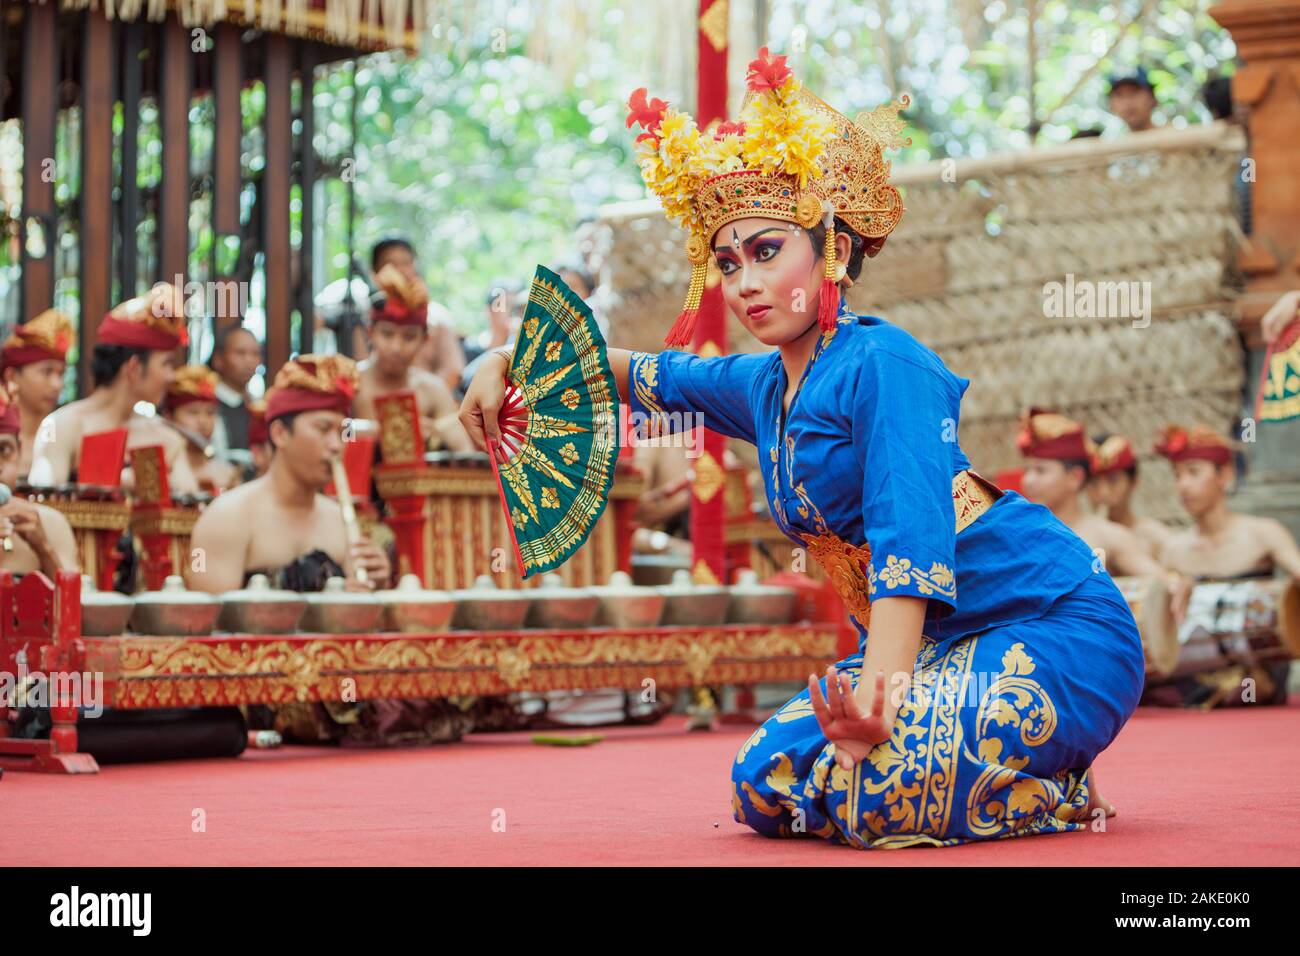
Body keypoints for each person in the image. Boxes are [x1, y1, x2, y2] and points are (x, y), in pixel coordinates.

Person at [462, 49, 1146, 849]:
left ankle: (1058, 788)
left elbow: (907, 552)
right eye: (726, 262)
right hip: (934, 650)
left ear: (833, 251)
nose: (744, 281)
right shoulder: (762, 386)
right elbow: (644, 373)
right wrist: (499, 362)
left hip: (1055, 625)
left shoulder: (885, 365)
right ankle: (990, 771)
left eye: (765, 251)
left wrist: (878, 703)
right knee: (761, 783)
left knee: (874, 790)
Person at [185, 354, 389, 594]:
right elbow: (208, 620)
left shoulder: (341, 521)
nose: (336, 445)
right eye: (323, 429)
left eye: (342, 432)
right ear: (280, 434)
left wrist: (376, 589)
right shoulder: (224, 518)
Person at [1148, 424, 1300, 706]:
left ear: (1225, 475)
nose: (1183, 485)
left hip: (1260, 665)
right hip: (1197, 666)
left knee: (1252, 683)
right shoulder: (1173, 549)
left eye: (1193, 472)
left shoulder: (1263, 532)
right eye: (1177, 476)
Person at [28, 283, 198, 494]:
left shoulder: (165, 437)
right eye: (166, 364)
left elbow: (189, 507)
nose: (171, 376)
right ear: (134, 367)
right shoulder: (60, 427)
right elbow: (44, 507)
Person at [1017, 408, 1166, 578]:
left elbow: (1162, 584)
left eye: (1041, 471)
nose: (1028, 480)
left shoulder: (1108, 536)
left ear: (1075, 478)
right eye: (1026, 470)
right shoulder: (1021, 537)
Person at [353, 265, 472, 452]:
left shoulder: (432, 389)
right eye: (387, 334)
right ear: (371, 333)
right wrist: (386, 431)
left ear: (424, 340)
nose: (396, 347)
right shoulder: (350, 381)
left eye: (408, 337)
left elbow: (464, 449)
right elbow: (338, 431)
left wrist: (437, 432)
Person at [0, 387, 78, 578]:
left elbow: (72, 605)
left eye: (4, 450)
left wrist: (43, 548)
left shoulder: (51, 524)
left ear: (20, 451)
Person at [0, 309, 72, 481]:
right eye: (46, 372)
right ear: (11, 376)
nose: (57, 384)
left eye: (61, 374)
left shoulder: (63, 434)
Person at [1085, 433, 1172, 560]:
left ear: (1134, 481)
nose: (1103, 492)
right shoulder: (1079, 537)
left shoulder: (1156, 538)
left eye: (1113, 480)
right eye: (1094, 483)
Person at [162, 365, 240, 492]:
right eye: (193, 412)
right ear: (169, 417)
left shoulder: (226, 474)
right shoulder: (160, 471)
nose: (203, 421)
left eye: (210, 413)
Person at [208, 325, 262, 458]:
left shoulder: (259, 405)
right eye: (240, 353)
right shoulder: (206, 404)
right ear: (218, 359)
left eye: (255, 354)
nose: (249, 361)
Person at [1108, 67, 1158, 133]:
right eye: (1119, 95)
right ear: (1111, 105)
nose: (1127, 102)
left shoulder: (1173, 138)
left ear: (1152, 98)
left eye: (1134, 93)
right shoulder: (1111, 142)